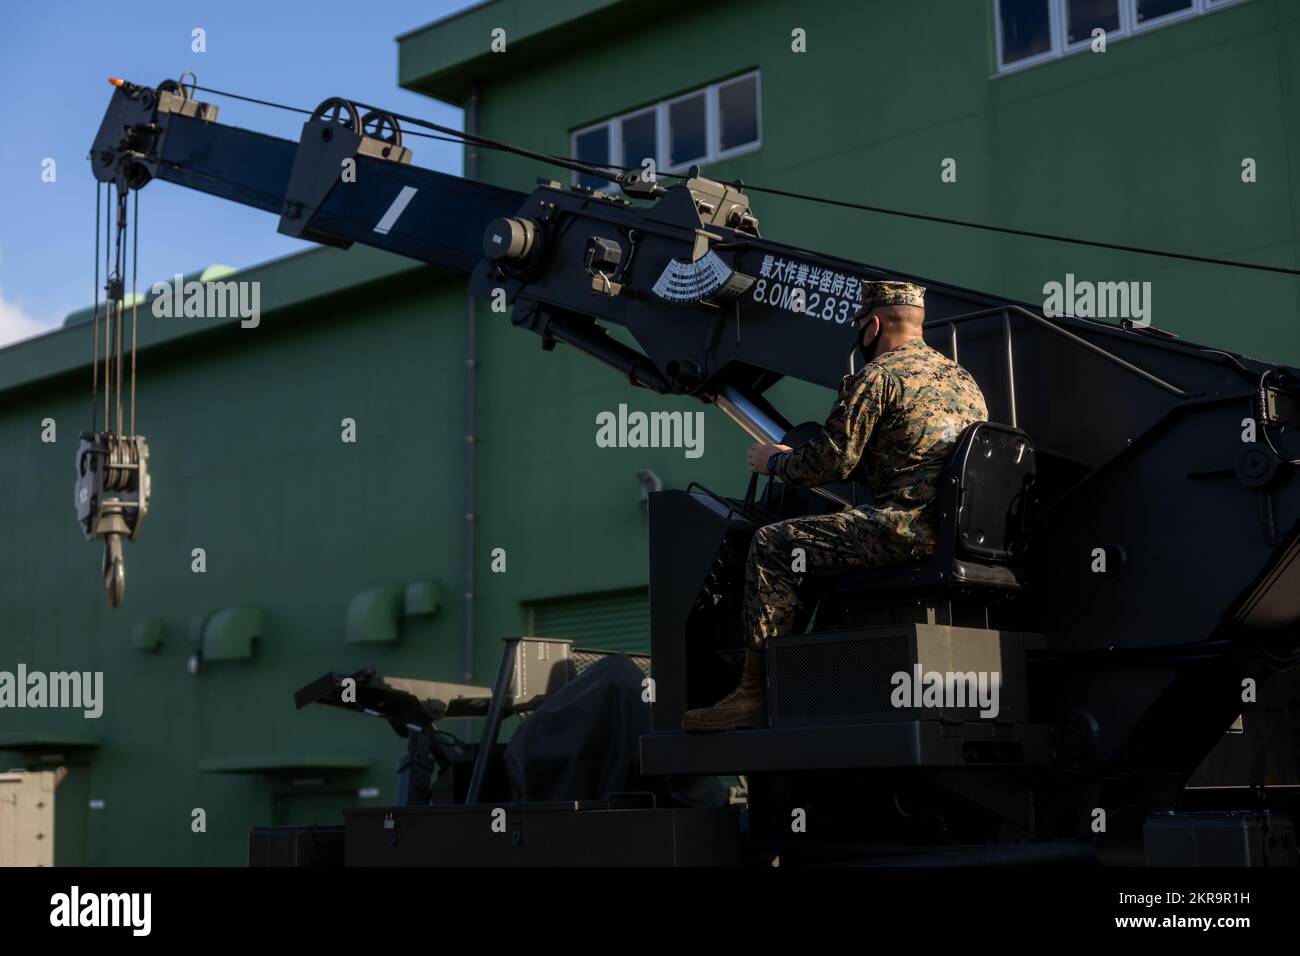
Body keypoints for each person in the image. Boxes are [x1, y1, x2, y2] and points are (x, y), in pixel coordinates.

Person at [681, 281, 989, 732]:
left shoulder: (879, 377)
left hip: (901, 530)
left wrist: (776, 464)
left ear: (874, 324)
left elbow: (832, 458)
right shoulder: (965, 382)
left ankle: (754, 694)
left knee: (772, 544)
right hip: (953, 533)